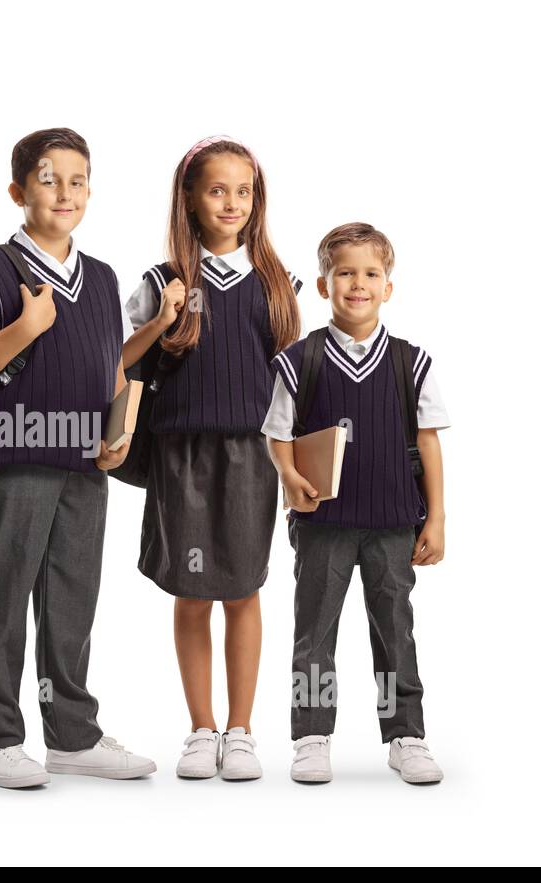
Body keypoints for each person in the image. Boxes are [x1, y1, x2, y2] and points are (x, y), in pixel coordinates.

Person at [0, 127, 157, 789]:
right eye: (47, 178)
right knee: (2, 595)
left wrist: (120, 427)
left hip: (81, 464)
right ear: (18, 191)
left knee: (71, 599)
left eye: (77, 179)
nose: (65, 192)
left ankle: (71, 734)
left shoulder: (101, 279)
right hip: (11, 458)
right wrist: (25, 328)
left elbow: (110, 365)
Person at [122, 135, 301, 780]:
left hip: (251, 455)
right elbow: (118, 364)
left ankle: (242, 729)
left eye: (244, 191)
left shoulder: (276, 283)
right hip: (181, 453)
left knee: (244, 588)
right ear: (190, 199)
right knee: (193, 590)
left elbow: (291, 383)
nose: (232, 203)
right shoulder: (162, 281)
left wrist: (297, 461)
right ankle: (201, 728)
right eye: (217, 190)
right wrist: (161, 320)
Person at [263, 222, 450, 784]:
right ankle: (312, 734)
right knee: (314, 630)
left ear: (388, 286)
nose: (358, 283)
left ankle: (406, 735)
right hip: (324, 524)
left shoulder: (409, 362)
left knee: (394, 629)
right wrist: (290, 476)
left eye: (371, 274)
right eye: (345, 272)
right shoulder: (301, 361)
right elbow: (277, 433)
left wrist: (436, 518)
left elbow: (428, 440)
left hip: (394, 522)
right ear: (324, 285)